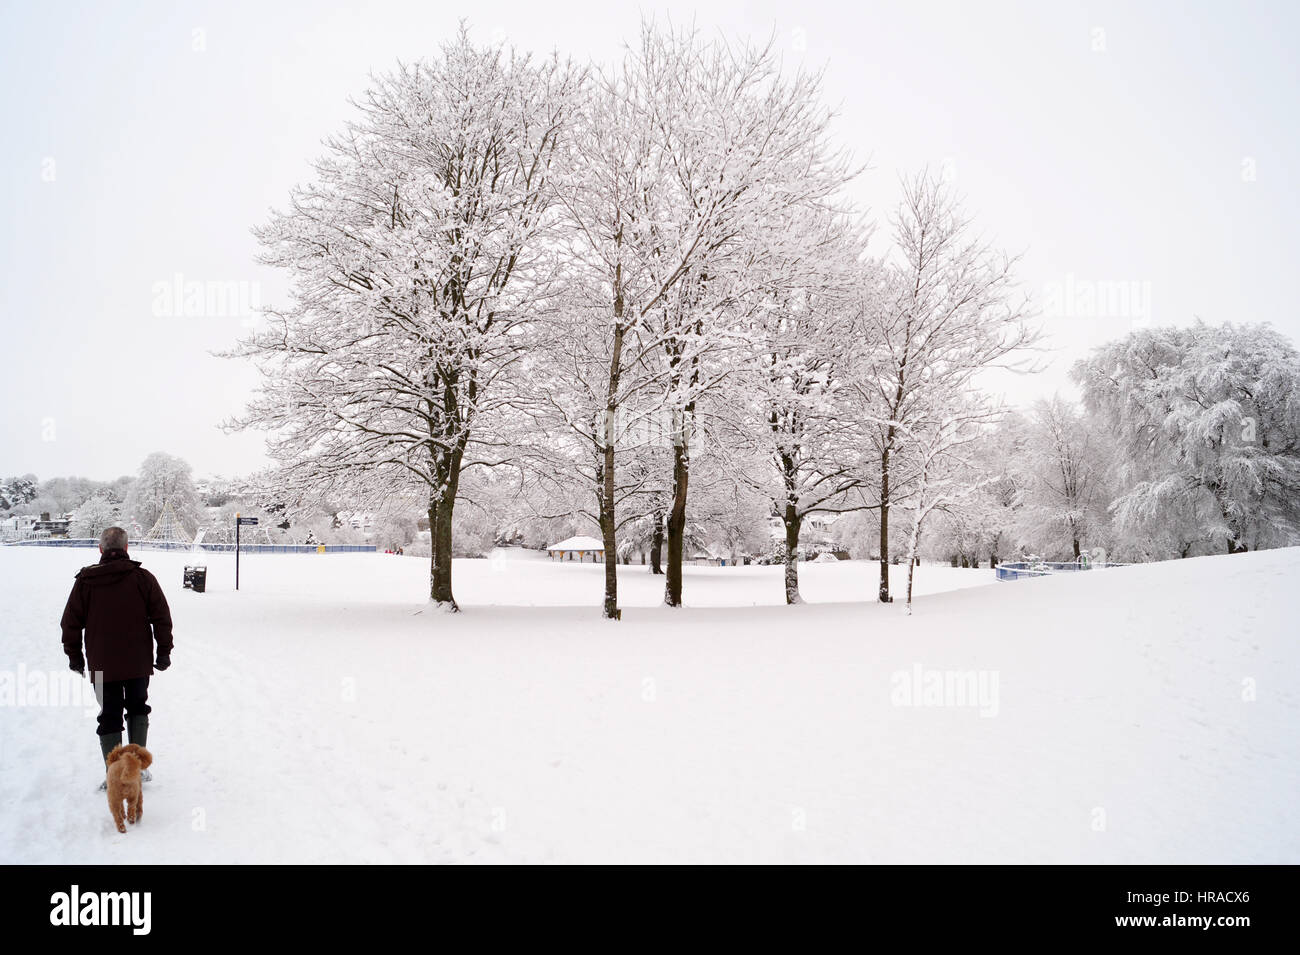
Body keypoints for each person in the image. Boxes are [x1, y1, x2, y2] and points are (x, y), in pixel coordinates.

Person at [61, 526, 173, 786]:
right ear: (126, 548)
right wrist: (164, 651)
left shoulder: (86, 582)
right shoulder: (143, 578)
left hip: (102, 664)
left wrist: (75, 657)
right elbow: (162, 618)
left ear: (100, 549)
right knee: (137, 708)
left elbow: (70, 624)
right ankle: (136, 769)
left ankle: (114, 774)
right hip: (138, 661)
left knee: (109, 714)